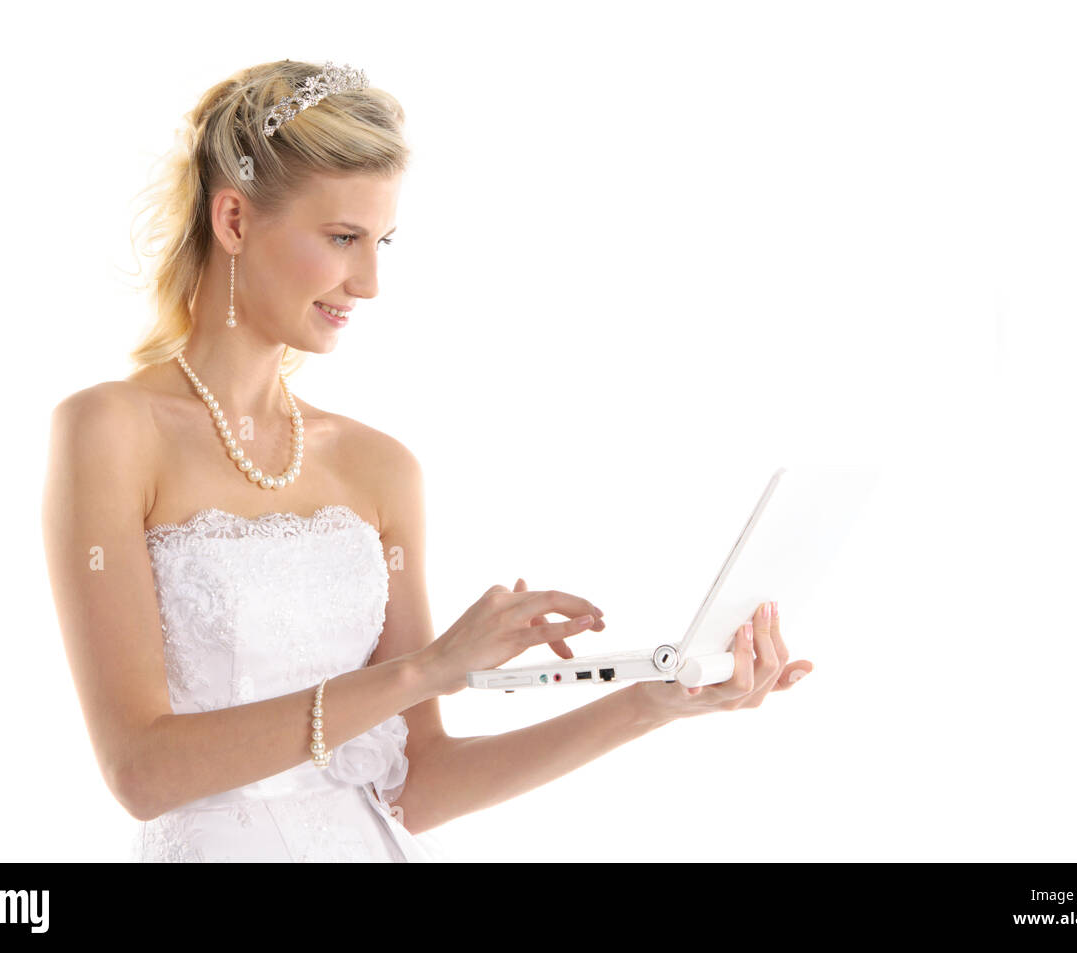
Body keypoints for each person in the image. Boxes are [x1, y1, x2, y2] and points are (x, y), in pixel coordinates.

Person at [40, 58, 814, 863]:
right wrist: (425, 670)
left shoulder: (378, 468)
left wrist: (654, 701)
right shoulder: (109, 431)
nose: (369, 282)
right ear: (233, 220)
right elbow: (141, 770)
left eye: (381, 242)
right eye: (342, 238)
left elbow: (420, 784)